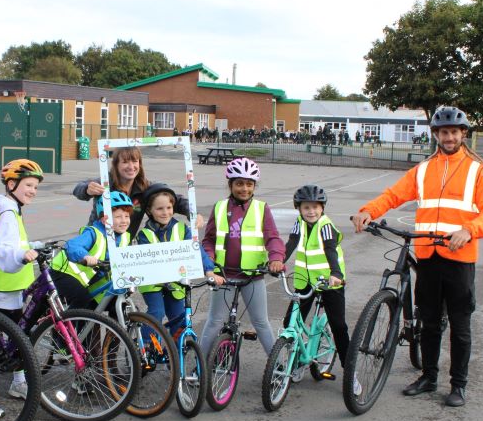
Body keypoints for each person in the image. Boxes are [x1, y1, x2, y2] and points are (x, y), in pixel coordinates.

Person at [352, 106, 483, 407]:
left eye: (454, 132)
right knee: (429, 322)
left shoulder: (477, 171)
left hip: (459, 257)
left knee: (460, 326)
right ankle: (429, 376)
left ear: (463, 134)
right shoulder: (423, 170)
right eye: (443, 132)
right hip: (428, 255)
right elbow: (393, 194)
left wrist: (470, 230)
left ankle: (458, 385)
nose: (449, 137)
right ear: (436, 135)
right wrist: (369, 210)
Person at [0, 158, 45, 420]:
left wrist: (33, 246)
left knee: (18, 336)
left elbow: (15, 242)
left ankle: (17, 381)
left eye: (35, 186)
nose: (32, 191)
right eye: (28, 185)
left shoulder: (13, 208)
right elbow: (4, 251)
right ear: (12, 184)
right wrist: (20, 256)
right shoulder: (7, 213)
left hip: (12, 286)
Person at [199, 157, 285, 356]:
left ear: (254, 186)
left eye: (249, 184)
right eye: (239, 184)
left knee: (261, 322)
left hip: (252, 277)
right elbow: (209, 239)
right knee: (214, 322)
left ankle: (277, 367)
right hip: (224, 276)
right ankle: (200, 366)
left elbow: (272, 237)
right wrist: (209, 259)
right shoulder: (220, 207)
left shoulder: (261, 208)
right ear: (230, 185)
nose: (244, 188)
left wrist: (276, 258)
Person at [282, 184, 356, 393]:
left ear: (322, 208)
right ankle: (297, 363)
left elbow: (330, 250)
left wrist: (336, 274)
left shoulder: (326, 226)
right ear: (299, 209)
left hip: (329, 281)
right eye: (306, 207)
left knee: (339, 326)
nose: (311, 211)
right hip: (304, 280)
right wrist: (278, 261)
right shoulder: (299, 223)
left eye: (315, 207)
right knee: (291, 322)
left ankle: (351, 373)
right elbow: (291, 243)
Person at [135, 183, 217, 339]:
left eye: (169, 207)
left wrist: (209, 270)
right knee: (156, 312)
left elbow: (196, 249)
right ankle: (145, 345)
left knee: (179, 318)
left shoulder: (182, 229)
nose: (165, 212)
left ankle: (174, 353)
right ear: (149, 211)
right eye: (159, 209)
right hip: (154, 283)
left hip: (176, 282)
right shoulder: (144, 234)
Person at [73, 146, 202, 237]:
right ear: (116, 165)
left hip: (124, 244)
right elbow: (78, 188)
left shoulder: (145, 187)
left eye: (135, 161)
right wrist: (87, 189)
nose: (131, 167)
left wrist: (193, 213)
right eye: (125, 162)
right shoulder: (106, 183)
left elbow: (175, 200)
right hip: (97, 241)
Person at [50, 190, 132, 309]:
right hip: (64, 272)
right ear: (104, 220)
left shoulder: (124, 237)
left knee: (114, 301)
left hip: (90, 280)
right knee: (82, 299)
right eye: (118, 217)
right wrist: (85, 256)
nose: (124, 220)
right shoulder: (94, 233)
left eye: (127, 216)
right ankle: (70, 326)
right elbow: (72, 245)